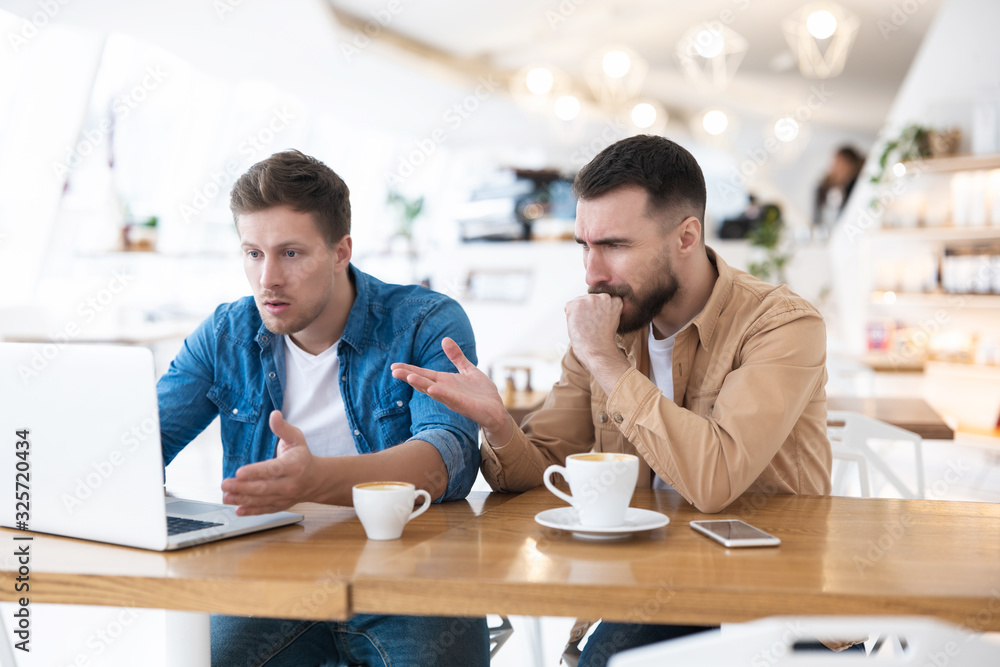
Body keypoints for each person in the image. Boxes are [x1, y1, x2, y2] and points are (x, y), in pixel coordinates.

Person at [391, 135, 833, 666]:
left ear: (686, 237)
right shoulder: (612, 325)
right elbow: (546, 469)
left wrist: (606, 360)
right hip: (654, 582)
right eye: (584, 245)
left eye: (615, 246)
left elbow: (715, 480)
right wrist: (500, 425)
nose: (592, 273)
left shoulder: (781, 324)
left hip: (773, 598)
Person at [156, 149, 488, 667]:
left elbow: (443, 460)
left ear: (341, 251)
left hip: (410, 573)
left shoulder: (425, 321)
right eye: (252, 253)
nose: (267, 279)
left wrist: (315, 481)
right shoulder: (225, 335)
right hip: (276, 574)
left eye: (291, 253)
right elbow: (141, 444)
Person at [814, 145, 864, 237]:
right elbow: (818, 214)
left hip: (847, 233)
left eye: (841, 163)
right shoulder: (823, 187)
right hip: (826, 233)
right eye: (836, 162)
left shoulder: (856, 187)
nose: (836, 166)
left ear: (851, 165)